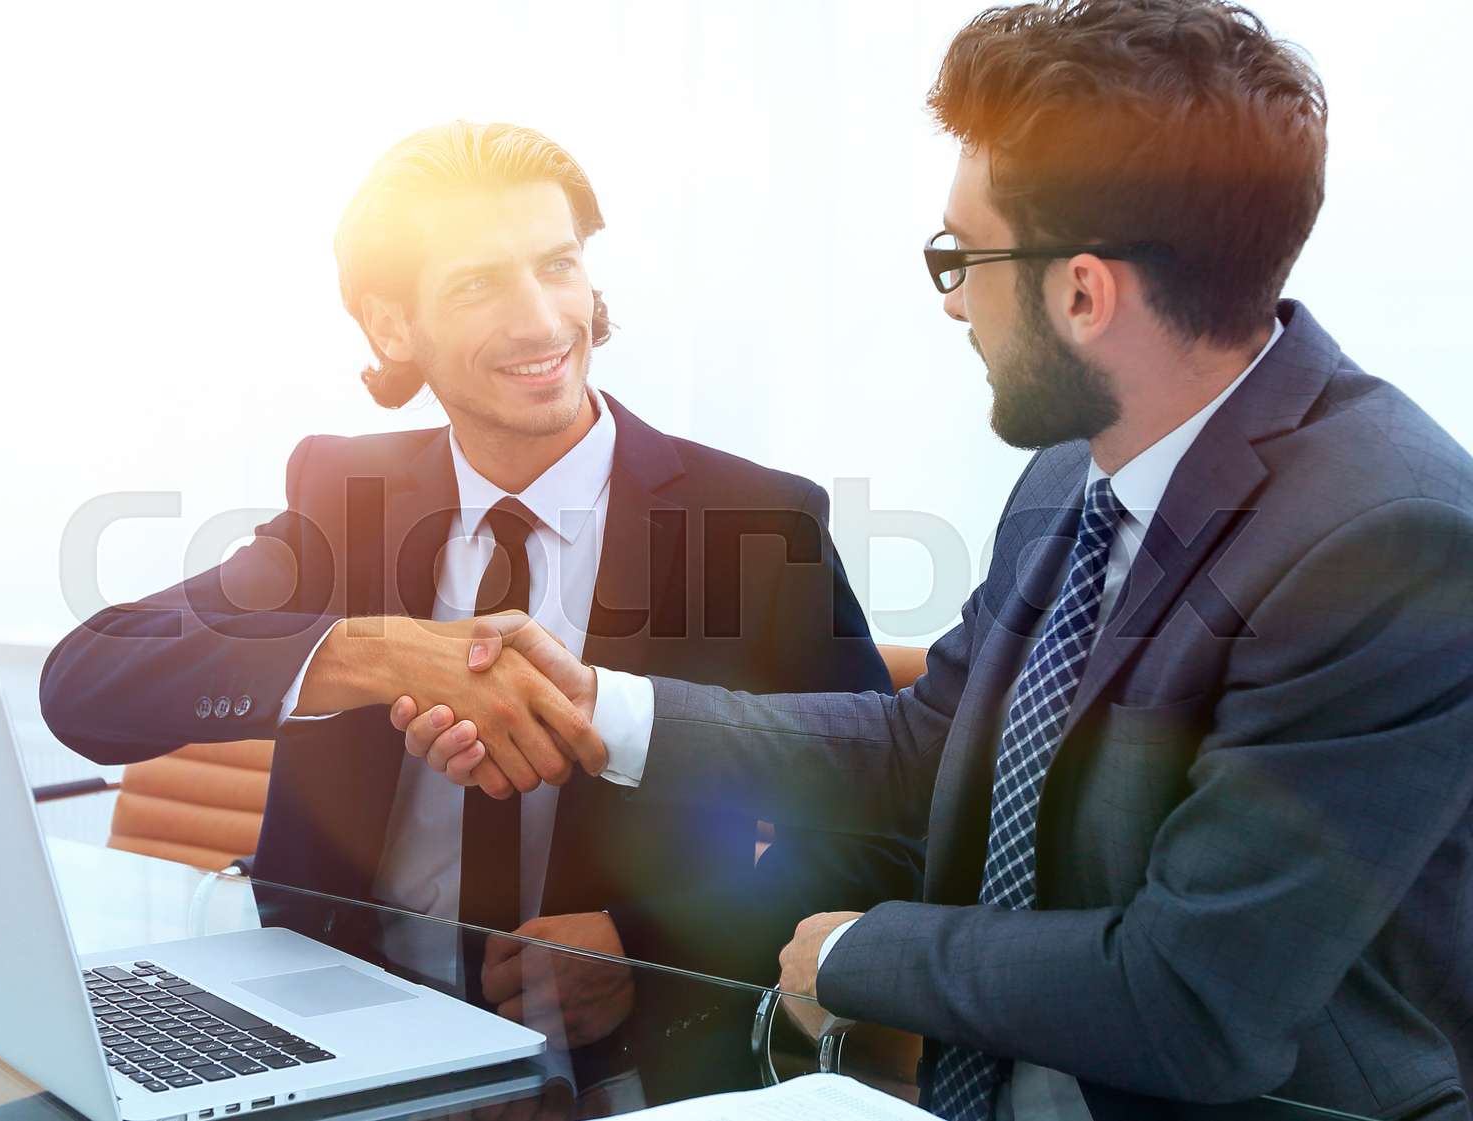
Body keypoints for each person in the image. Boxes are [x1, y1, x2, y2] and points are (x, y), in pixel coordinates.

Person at [399, 5, 1473, 1118]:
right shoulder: (1074, 471)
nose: (952, 300)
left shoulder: (1386, 540)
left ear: (1082, 293)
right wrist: (600, 709)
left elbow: (1192, 1002)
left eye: (959, 257)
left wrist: (861, 951)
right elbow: (931, 740)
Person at [39, 121, 919, 1045]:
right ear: (391, 323)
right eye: (476, 284)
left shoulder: (755, 520)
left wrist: (649, 942)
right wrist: (371, 652)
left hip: (620, 1071)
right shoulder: (347, 495)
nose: (541, 320)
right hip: (338, 1036)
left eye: (557, 265)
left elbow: (885, 826)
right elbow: (87, 684)